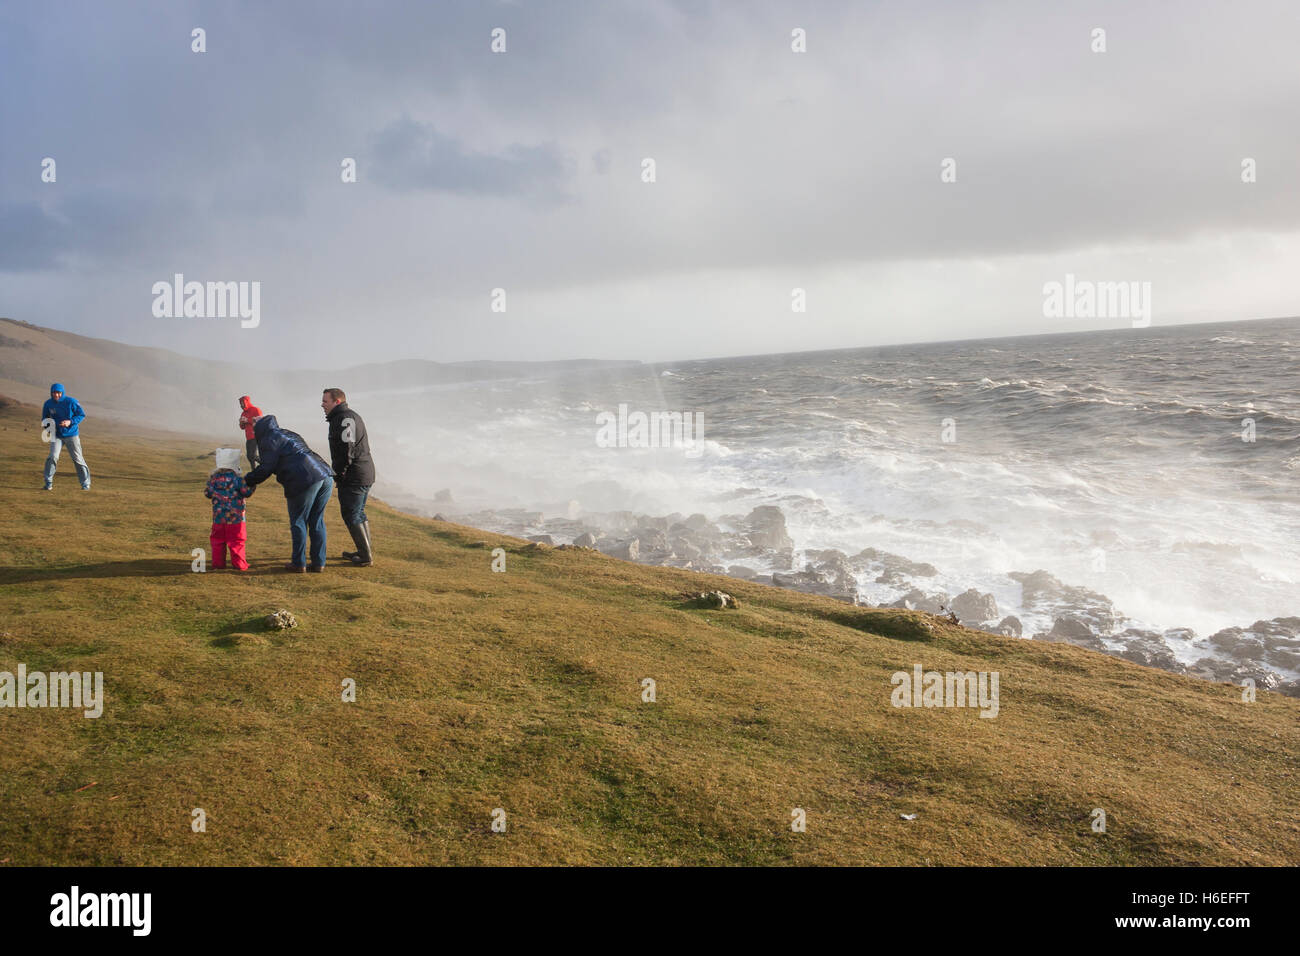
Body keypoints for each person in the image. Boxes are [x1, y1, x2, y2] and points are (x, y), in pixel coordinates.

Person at [243, 414, 334, 572]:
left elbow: (266, 468)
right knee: (317, 520)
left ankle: (299, 563)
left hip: (303, 479)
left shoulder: (267, 439)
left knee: (298, 521)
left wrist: (247, 480)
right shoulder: (288, 433)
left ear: (259, 428)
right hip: (324, 474)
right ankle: (319, 562)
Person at [321, 387, 376, 566]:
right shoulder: (347, 416)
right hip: (363, 472)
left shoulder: (344, 418)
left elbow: (347, 448)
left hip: (355, 474)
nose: (322, 405)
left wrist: (340, 472)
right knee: (357, 513)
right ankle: (364, 551)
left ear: (337, 401)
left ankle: (365, 556)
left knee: (351, 514)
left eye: (325, 401)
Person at [205, 447, 254, 570]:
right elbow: (246, 492)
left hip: (218, 518)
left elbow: (207, 493)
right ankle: (239, 564)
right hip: (236, 518)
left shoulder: (213, 480)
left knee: (217, 541)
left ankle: (218, 564)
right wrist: (253, 486)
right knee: (236, 541)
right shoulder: (238, 480)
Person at [41, 382, 90, 491]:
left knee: (77, 459)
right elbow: (45, 419)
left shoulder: (71, 402)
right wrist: (49, 428)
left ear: (62, 392)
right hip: (56, 434)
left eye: (58, 393)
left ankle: (85, 484)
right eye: (54, 393)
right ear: (51, 393)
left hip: (71, 434)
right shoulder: (48, 404)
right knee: (52, 457)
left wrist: (70, 422)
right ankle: (48, 483)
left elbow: (81, 415)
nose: (56, 395)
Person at [237, 395, 263, 468]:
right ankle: (254, 471)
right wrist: (241, 423)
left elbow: (260, 422)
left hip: (256, 435)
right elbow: (242, 427)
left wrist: (247, 420)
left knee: (253, 455)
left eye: (243, 403)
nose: (241, 405)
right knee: (249, 457)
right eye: (240, 404)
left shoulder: (256, 410)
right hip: (248, 437)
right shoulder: (243, 413)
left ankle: (265, 464)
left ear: (247, 402)